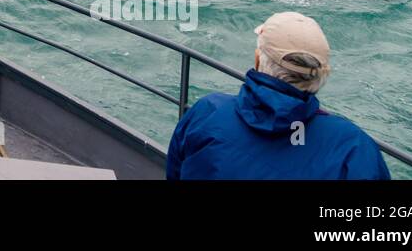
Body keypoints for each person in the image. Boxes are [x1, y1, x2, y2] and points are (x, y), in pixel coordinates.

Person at [166, 11, 390, 179]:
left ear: (257, 60)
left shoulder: (207, 112)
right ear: (319, 77)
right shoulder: (353, 149)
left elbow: (175, 172)